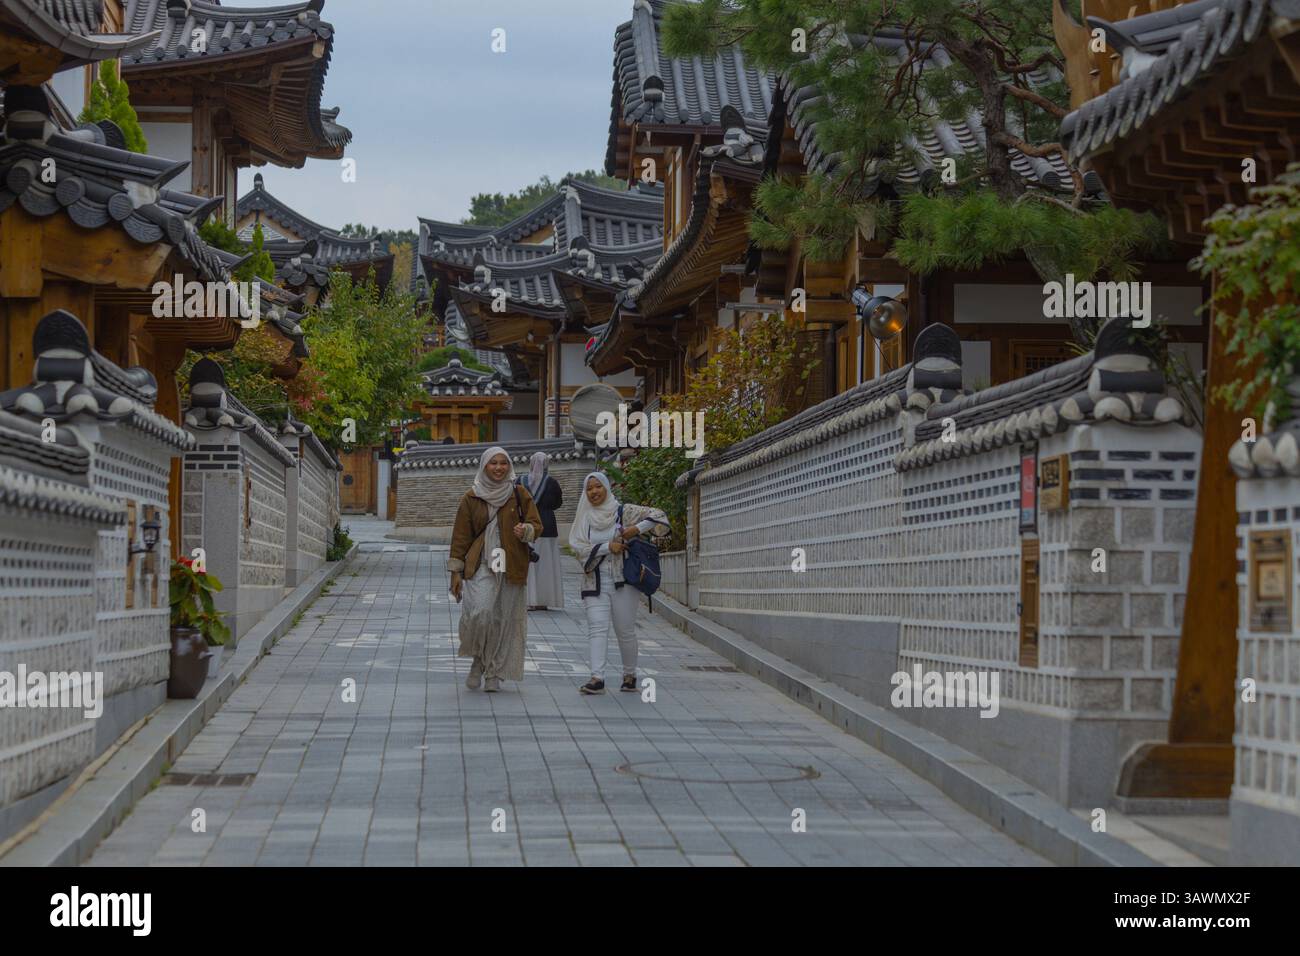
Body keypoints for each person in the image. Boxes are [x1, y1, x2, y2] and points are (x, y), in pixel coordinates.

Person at [448, 447, 543, 693]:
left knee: (502, 620)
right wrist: (455, 571)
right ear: (484, 466)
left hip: (511, 564)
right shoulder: (471, 497)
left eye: (503, 463)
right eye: (493, 463)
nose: (499, 467)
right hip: (481, 564)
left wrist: (527, 531)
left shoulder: (519, 493)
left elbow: (536, 524)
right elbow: (460, 536)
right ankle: (478, 657)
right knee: (481, 614)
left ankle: (493, 670)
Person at [568, 472, 669, 695]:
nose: (594, 492)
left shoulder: (624, 511)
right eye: (589, 489)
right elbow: (577, 547)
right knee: (597, 628)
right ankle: (597, 677)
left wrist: (635, 529)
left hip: (624, 581)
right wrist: (607, 547)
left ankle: (630, 673)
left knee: (625, 630)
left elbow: (660, 516)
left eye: (598, 487)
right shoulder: (584, 518)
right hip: (594, 581)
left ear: (606, 488)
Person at [519, 451, 564, 610]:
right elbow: (558, 503)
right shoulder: (551, 483)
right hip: (547, 526)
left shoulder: (520, 481)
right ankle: (543, 600)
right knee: (545, 564)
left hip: (525, 525)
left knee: (528, 560)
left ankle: (528, 598)